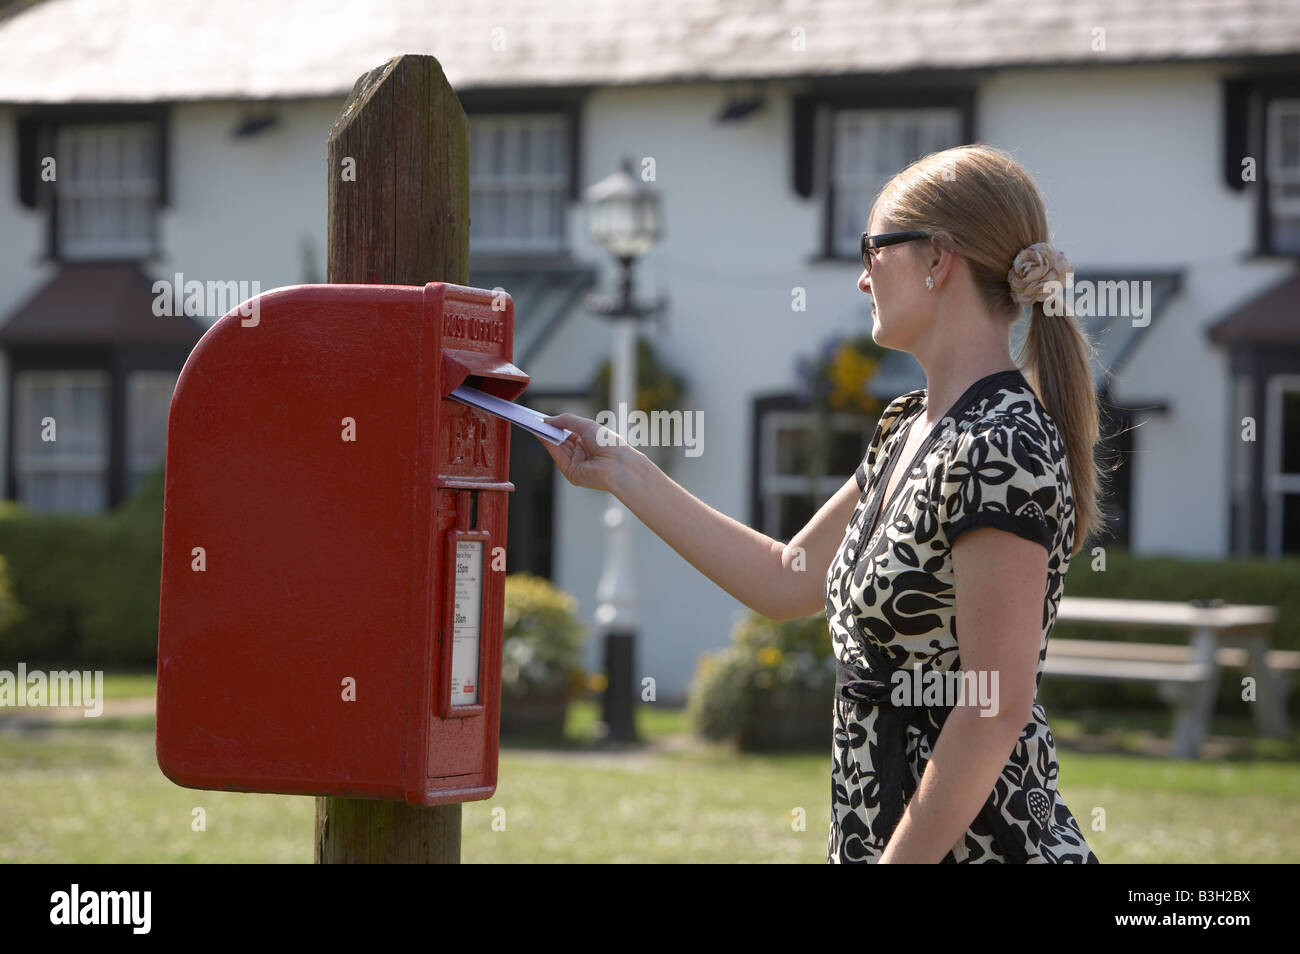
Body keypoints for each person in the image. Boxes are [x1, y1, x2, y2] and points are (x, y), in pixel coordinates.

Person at [538, 143, 1103, 863]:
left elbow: (992, 710)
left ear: (938, 258)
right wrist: (624, 472)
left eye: (874, 249)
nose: (864, 278)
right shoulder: (906, 428)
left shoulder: (1001, 446)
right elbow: (785, 578)